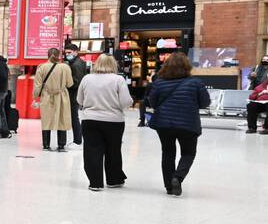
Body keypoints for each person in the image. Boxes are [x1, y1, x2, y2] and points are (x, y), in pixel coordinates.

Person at [146, 52, 209, 196]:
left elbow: (153, 102)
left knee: (167, 153)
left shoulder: (159, 82)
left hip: (164, 123)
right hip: (188, 123)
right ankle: (177, 177)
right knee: (188, 153)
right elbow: (205, 102)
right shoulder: (196, 83)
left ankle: (169, 186)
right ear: (187, 66)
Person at [76, 54, 133, 191]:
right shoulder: (118, 79)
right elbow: (126, 101)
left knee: (92, 150)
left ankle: (95, 182)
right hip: (114, 121)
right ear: (113, 64)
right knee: (113, 150)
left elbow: (79, 100)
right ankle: (114, 179)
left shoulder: (87, 79)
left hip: (90, 120)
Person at [33, 47, 72, 151]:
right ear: (59, 55)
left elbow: (37, 85)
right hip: (62, 96)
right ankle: (61, 145)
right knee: (62, 119)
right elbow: (70, 83)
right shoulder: (65, 67)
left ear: (48, 55)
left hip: (46, 95)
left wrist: (35, 97)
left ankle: (46, 145)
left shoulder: (42, 67)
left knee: (46, 120)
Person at [63, 44, 89, 145]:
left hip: (73, 94)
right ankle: (77, 139)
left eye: (69, 53)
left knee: (74, 117)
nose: (67, 55)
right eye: (66, 53)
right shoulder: (80, 62)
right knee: (74, 117)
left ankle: (77, 140)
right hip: (77, 94)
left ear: (76, 52)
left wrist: (66, 84)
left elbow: (76, 82)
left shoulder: (75, 64)